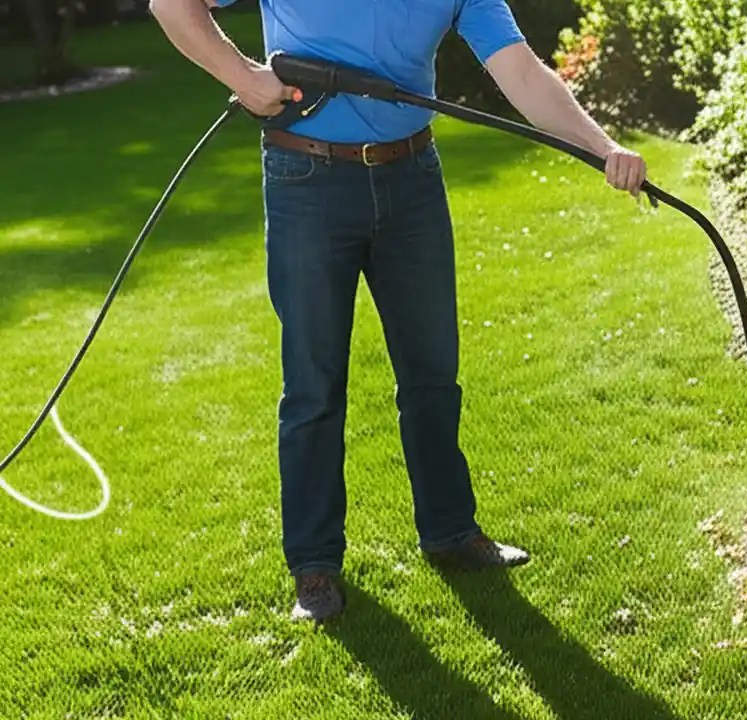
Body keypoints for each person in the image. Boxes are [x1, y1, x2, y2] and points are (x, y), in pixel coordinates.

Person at [149, 0, 649, 622]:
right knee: (313, 384)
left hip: (412, 178)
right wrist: (245, 78)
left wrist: (603, 148)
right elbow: (170, 4)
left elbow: (520, 70)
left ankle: (450, 531)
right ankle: (313, 566)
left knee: (432, 373)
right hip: (306, 177)